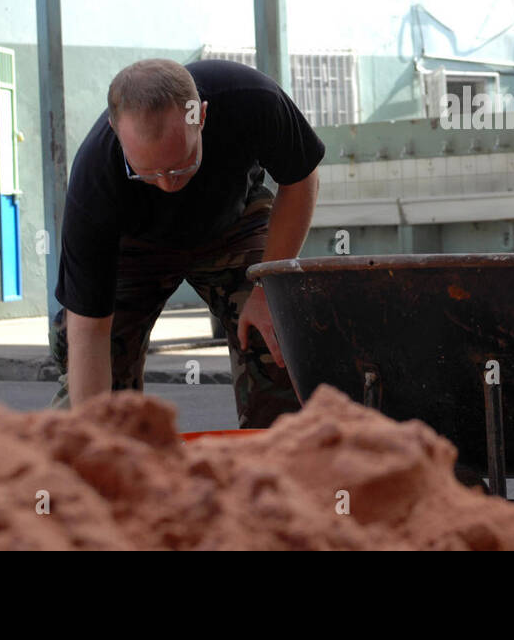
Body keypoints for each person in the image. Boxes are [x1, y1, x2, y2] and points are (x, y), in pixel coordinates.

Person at [48, 57, 324, 428]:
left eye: (182, 165)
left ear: (201, 117)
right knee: (89, 383)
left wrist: (264, 289)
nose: (167, 184)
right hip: (135, 249)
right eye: (146, 172)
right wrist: (94, 444)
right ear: (116, 132)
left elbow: (301, 179)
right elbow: (90, 331)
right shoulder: (94, 182)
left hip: (233, 225)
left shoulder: (251, 98)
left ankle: (274, 464)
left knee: (277, 335)